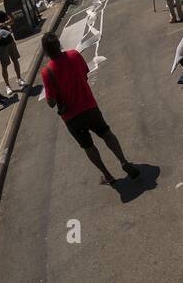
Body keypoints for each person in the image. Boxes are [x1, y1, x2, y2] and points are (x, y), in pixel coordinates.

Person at [40, 33, 139, 186]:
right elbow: (85, 75)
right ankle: (124, 162)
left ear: (45, 51)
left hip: (72, 117)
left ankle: (107, 175)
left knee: (88, 146)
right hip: (89, 106)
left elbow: (51, 102)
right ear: (59, 44)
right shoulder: (74, 55)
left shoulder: (48, 72)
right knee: (106, 133)